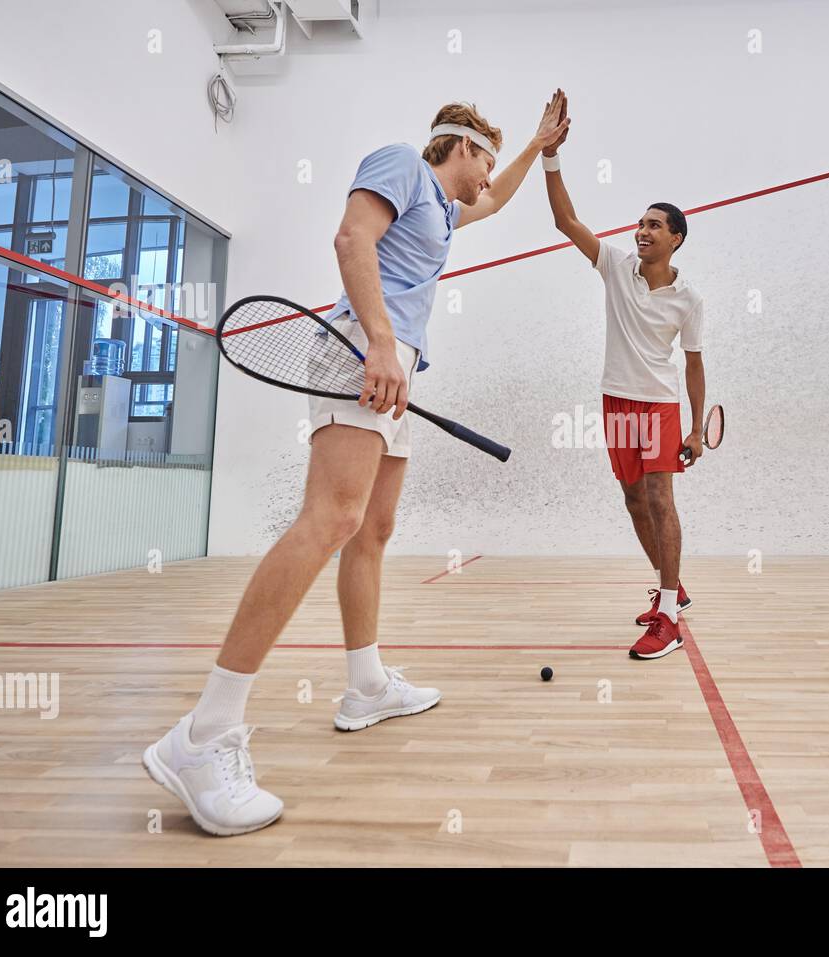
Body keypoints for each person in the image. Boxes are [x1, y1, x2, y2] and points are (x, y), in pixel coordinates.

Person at [143, 93, 570, 836]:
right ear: (457, 146)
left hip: (393, 364)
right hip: (361, 352)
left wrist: (537, 143)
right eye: (487, 158)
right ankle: (204, 735)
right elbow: (351, 241)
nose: (489, 176)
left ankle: (366, 685)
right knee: (331, 518)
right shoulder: (404, 163)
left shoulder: (442, 210)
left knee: (372, 527)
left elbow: (496, 202)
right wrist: (378, 338)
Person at [541, 96, 706, 661]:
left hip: (659, 406)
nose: (641, 231)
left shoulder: (689, 300)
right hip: (616, 403)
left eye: (654, 226)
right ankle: (671, 583)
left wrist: (695, 429)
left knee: (661, 497)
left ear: (676, 239)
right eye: (640, 223)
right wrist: (550, 158)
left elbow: (693, 364)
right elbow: (566, 220)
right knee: (634, 499)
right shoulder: (615, 267)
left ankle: (667, 616)